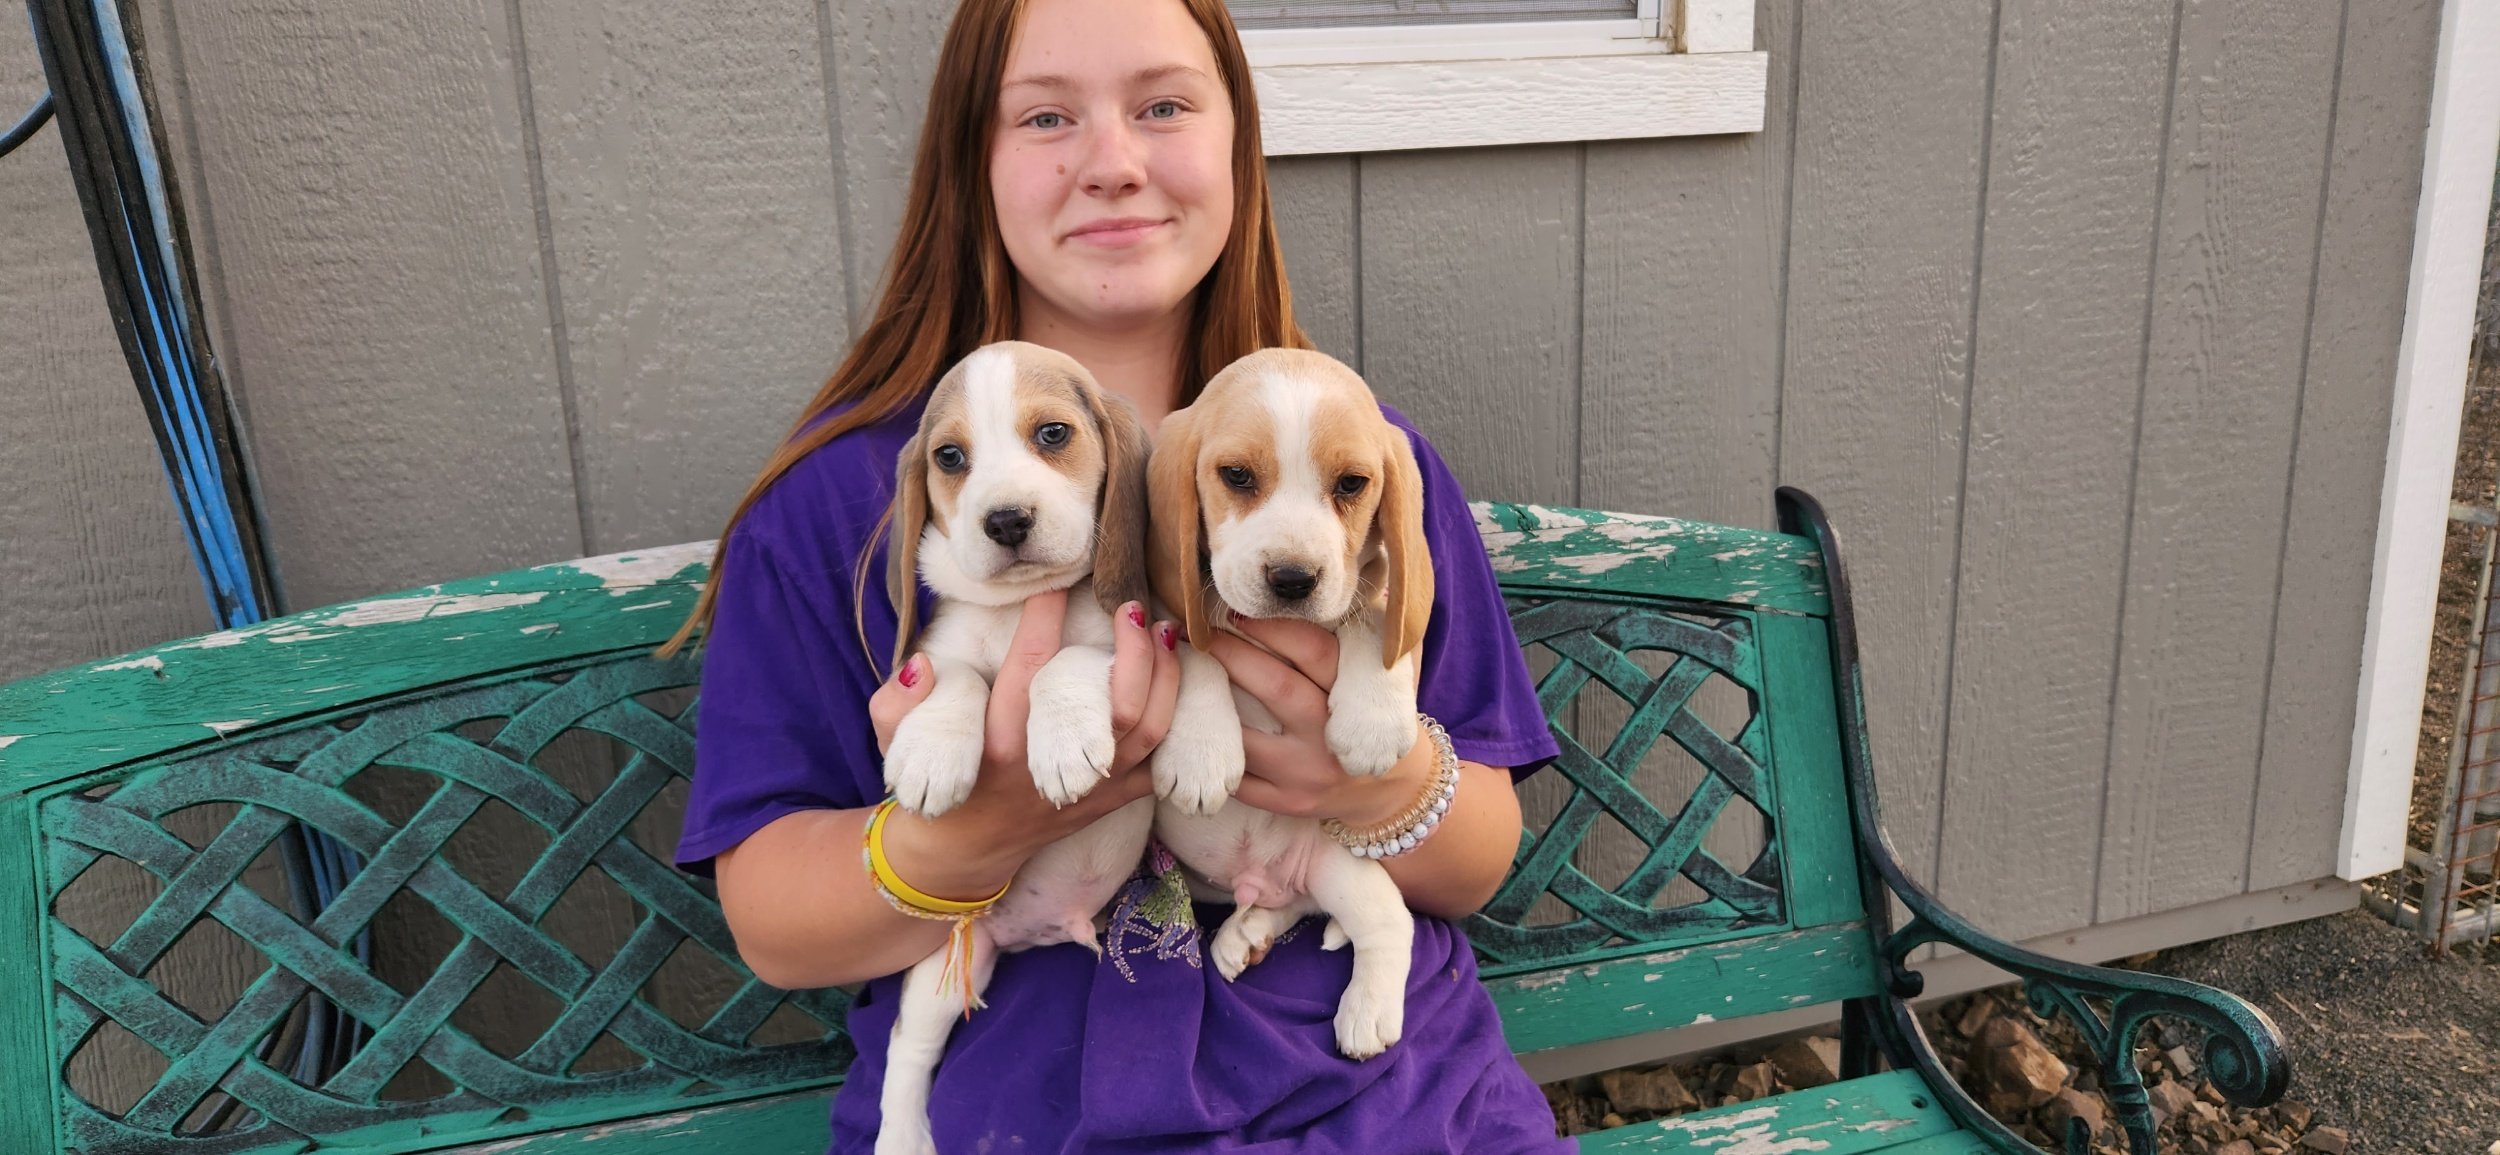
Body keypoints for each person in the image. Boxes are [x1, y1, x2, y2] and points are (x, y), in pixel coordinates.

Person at [667, 0, 1568, 1149]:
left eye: (1164, 106)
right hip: (1019, 1115)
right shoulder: (844, 502)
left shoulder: (1364, 460)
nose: (1113, 162)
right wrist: (974, 827)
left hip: (1391, 1099)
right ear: (969, 161)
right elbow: (777, 929)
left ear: (1237, 143)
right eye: (1046, 116)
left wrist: (1366, 776)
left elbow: (1478, 854)